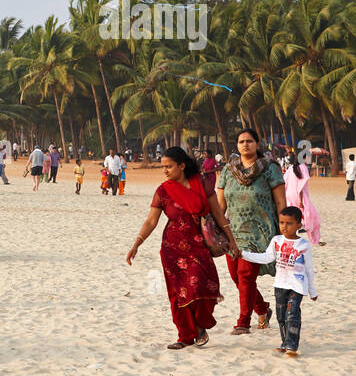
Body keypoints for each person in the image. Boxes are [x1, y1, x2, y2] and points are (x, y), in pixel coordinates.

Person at [126, 147, 239, 349]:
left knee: (204, 284)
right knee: (178, 292)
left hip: (199, 244)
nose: (165, 170)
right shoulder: (163, 190)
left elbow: (219, 214)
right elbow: (151, 221)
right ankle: (185, 335)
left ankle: (198, 324)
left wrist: (231, 240)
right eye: (163, 167)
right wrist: (137, 243)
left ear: (182, 166)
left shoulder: (202, 183)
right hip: (172, 247)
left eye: (168, 166)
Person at [217, 128, 286, 335]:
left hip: (260, 232)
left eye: (249, 141)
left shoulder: (270, 168)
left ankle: (243, 322)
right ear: (236, 146)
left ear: (257, 144)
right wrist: (215, 229)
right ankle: (262, 309)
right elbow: (220, 205)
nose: (245, 144)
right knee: (237, 277)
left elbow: (281, 201)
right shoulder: (229, 171)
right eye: (241, 141)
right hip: (233, 232)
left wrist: (285, 231)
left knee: (246, 275)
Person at [237, 206, 318, 358]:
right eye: (281, 223)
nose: (284, 226)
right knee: (281, 316)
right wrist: (243, 255)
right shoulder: (276, 241)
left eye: (289, 223)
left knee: (292, 314)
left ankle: (292, 346)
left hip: (297, 286)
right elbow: (266, 258)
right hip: (280, 285)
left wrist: (312, 290)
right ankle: (284, 343)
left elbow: (309, 269)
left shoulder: (304, 245)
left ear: (298, 225)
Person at [283, 155, 322, 246]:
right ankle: (314, 239)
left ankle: (290, 237)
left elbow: (285, 181)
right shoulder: (303, 167)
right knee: (311, 216)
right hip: (299, 196)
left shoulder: (291, 167)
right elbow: (300, 185)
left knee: (292, 216)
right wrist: (300, 201)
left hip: (289, 195)